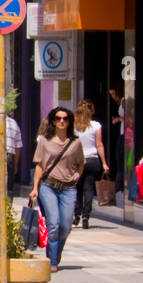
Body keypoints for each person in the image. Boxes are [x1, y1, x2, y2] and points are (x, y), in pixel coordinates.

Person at [29, 106, 86, 273]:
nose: (62, 121)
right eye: (58, 118)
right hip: (49, 186)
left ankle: (57, 250)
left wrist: (76, 177)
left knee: (66, 225)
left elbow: (81, 163)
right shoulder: (45, 141)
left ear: (69, 121)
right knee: (53, 223)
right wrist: (35, 187)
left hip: (68, 188)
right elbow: (39, 165)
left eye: (65, 119)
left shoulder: (75, 143)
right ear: (53, 121)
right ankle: (52, 261)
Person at [72, 99, 108, 229]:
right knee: (89, 189)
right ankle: (86, 216)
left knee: (77, 189)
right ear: (91, 112)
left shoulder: (74, 126)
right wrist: (104, 162)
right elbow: (99, 145)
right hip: (93, 160)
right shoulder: (96, 126)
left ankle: (76, 215)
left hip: (78, 161)